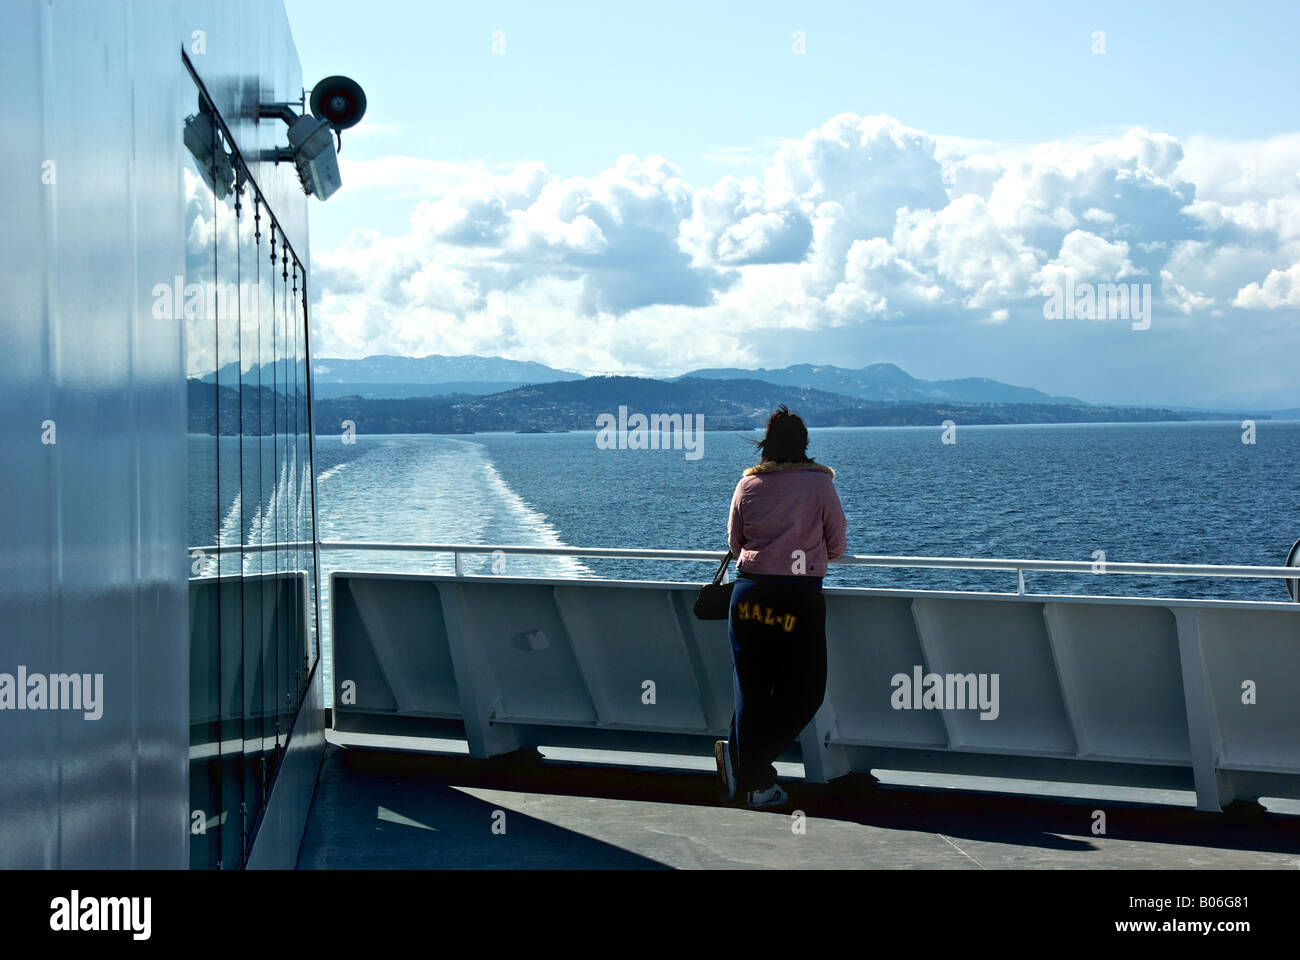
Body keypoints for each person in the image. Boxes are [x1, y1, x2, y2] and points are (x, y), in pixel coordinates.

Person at [715, 404, 847, 808]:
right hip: (796, 597)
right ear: (805, 444)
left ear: (765, 445)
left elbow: (735, 545)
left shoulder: (747, 486)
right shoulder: (819, 484)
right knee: (805, 692)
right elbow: (837, 545)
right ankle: (753, 771)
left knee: (751, 690)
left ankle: (747, 769)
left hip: (749, 594)